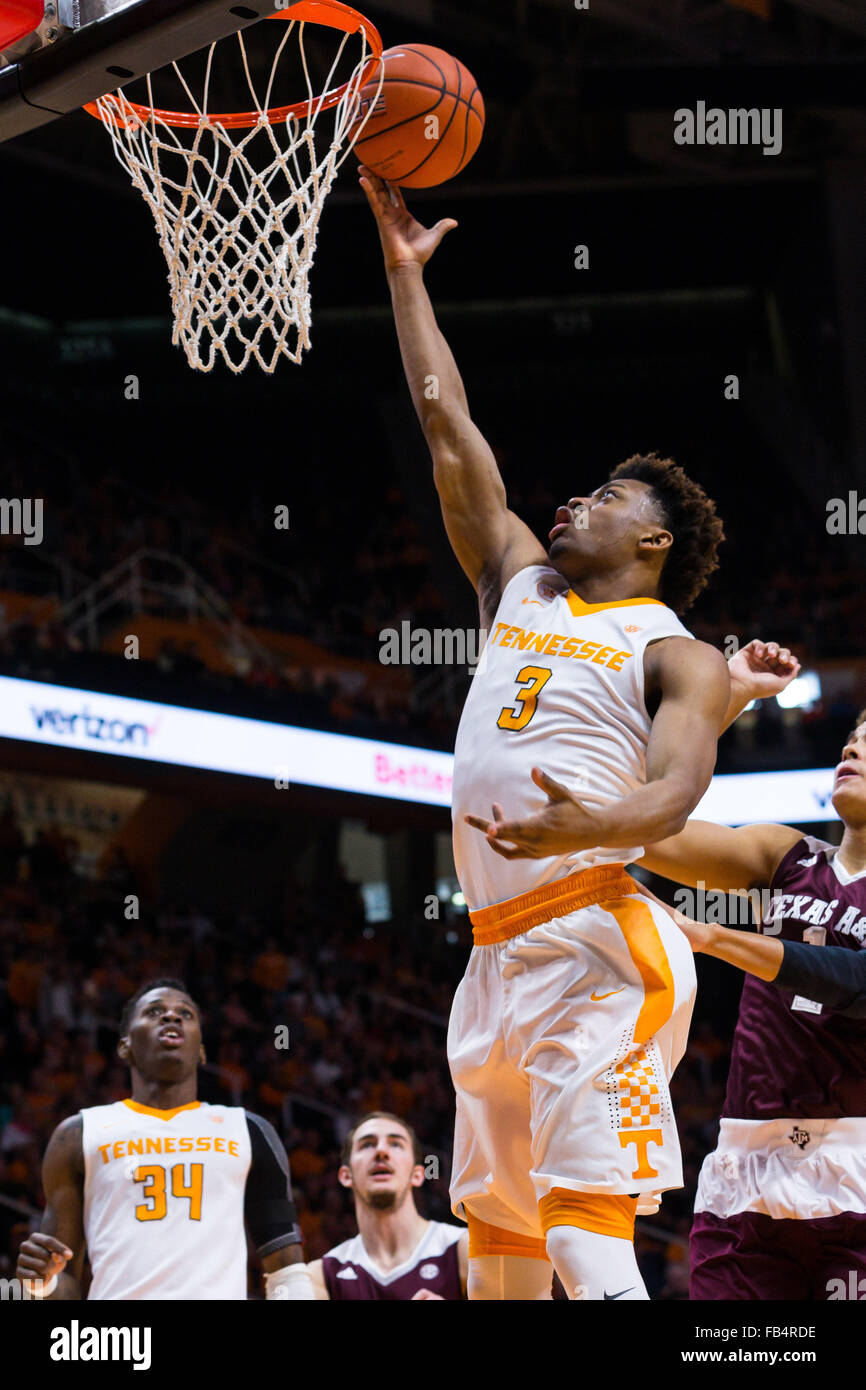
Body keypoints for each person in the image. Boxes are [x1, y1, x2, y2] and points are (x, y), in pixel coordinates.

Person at [361, 164, 741, 1301]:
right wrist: (403, 278)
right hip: (491, 952)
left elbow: (674, 794)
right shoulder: (517, 582)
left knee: (585, 1239)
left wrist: (597, 819)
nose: (572, 503)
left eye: (607, 498)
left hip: (599, 948)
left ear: (656, 541)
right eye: (575, 491)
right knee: (500, 1261)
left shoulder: (680, 652)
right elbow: (445, 422)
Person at [636, 707, 866, 1299]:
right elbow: (655, 834)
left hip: (855, 1162)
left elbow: (856, 982)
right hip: (747, 1161)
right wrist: (721, 700)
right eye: (850, 741)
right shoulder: (789, 854)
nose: (852, 750)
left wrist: (715, 937)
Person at [15, 978, 313, 1301]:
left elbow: (286, 1272)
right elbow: (64, 1279)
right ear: (124, 1045)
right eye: (155, 1012)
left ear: (200, 1049)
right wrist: (40, 1285)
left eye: (185, 1014)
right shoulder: (78, 1135)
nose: (171, 1017)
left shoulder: (248, 1130)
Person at [307, 1112, 467, 1300]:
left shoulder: (462, 1247)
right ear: (346, 1175)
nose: (381, 1152)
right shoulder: (322, 1275)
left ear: (417, 1175)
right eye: (367, 1145)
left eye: (396, 1144)